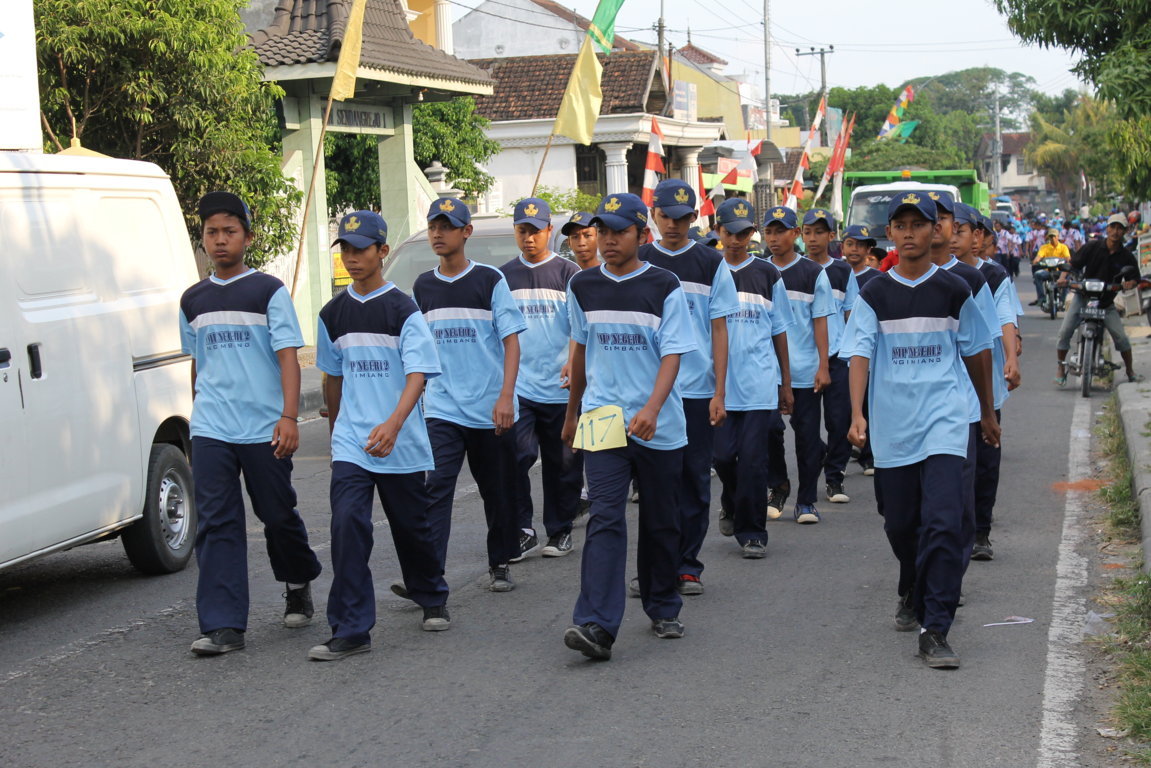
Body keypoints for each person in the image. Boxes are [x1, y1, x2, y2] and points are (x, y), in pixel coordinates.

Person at [842, 191, 1000, 670]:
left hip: (947, 420)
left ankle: (936, 627)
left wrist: (988, 414)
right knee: (901, 523)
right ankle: (911, 580)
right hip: (893, 425)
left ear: (937, 232)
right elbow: (860, 353)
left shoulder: (957, 290)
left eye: (920, 225)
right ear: (889, 234)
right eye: (901, 225)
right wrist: (856, 414)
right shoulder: (873, 293)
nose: (910, 233)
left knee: (946, 521)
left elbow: (976, 350)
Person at [180, 191, 322, 656]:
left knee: (277, 514)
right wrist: (197, 410)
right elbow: (199, 364)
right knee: (217, 522)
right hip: (212, 428)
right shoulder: (193, 300)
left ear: (247, 237)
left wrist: (288, 416)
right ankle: (223, 626)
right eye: (211, 233)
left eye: (229, 232)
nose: (220, 241)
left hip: (265, 427)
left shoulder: (268, 291)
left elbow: (288, 358)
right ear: (202, 239)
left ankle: (297, 578)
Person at [560, 192, 697, 660]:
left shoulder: (665, 285)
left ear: (643, 235)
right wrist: (571, 412)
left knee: (661, 520)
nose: (609, 240)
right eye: (604, 231)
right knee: (604, 517)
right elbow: (579, 352)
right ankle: (596, 623)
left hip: (658, 423)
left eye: (620, 232)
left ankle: (663, 605)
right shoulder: (582, 286)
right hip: (601, 418)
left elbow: (673, 353)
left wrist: (654, 409)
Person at [311, 211, 450, 661]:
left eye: (361, 249)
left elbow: (418, 374)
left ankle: (431, 594)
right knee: (348, 525)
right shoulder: (332, 314)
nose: (352, 258)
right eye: (346, 249)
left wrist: (393, 424)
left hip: (400, 441)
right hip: (353, 441)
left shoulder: (403, 310)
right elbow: (332, 378)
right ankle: (351, 629)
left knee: (412, 529)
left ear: (382, 252)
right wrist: (338, 437)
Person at [412, 198, 526, 593]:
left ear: (466, 232)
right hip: (442, 407)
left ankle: (500, 562)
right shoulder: (423, 286)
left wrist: (506, 396)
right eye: (433, 227)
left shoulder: (490, 280)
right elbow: (418, 350)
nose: (438, 234)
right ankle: (428, 576)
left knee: (496, 490)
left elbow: (511, 342)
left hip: (487, 408)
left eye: (447, 226)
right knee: (436, 488)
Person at [638, 178, 738, 596]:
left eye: (682, 218)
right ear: (653, 216)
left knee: (694, 478)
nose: (674, 225)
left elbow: (719, 327)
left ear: (695, 219)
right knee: (653, 486)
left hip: (695, 390)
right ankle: (654, 567)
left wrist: (719, 391)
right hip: (647, 392)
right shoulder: (639, 258)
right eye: (666, 217)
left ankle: (687, 564)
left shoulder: (710, 263)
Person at [711, 198, 794, 557]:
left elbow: (779, 331)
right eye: (730, 232)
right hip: (719, 386)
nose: (737, 240)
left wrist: (785, 383)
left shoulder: (767, 274)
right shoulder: (710, 271)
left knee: (754, 461)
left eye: (744, 232)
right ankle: (731, 502)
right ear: (718, 231)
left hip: (759, 383)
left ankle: (753, 531)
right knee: (723, 457)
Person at [501, 198, 582, 560]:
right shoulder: (502, 277)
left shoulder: (570, 275)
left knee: (562, 463)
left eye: (536, 231)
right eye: (523, 231)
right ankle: (522, 528)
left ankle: (560, 529)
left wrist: (573, 363)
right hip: (519, 388)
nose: (529, 238)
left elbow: (581, 329)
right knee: (517, 457)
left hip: (562, 389)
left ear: (550, 230)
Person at [954, 203, 1022, 562]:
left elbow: (1007, 320)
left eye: (959, 230)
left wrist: (1010, 358)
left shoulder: (993, 277)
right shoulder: (932, 274)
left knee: (984, 463)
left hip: (984, 385)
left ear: (976, 236)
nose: (949, 237)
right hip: (947, 390)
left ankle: (981, 531)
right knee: (956, 468)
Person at [762, 206, 835, 523]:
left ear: (795, 234)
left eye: (781, 231)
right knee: (768, 431)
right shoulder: (759, 270)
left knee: (805, 436)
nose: (774, 238)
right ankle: (778, 483)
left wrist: (824, 365)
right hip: (765, 370)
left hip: (805, 370)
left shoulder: (813, 273)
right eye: (769, 232)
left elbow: (820, 323)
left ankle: (806, 500)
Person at [800, 208, 859, 504]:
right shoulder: (794, 269)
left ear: (831, 236)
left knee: (839, 420)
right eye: (808, 232)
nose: (813, 238)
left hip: (838, 356)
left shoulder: (843, 271)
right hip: (804, 358)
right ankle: (819, 457)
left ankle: (835, 478)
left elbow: (852, 314)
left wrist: (854, 354)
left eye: (819, 232)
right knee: (804, 424)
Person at [1054, 213, 1143, 385]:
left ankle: (1130, 371)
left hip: (1106, 302)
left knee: (1121, 338)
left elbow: (1135, 279)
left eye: (1120, 228)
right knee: (1065, 332)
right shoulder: (1092, 247)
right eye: (1113, 227)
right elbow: (1073, 264)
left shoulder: (1126, 256)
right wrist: (1063, 278)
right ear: (1107, 228)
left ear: (1124, 231)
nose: (1115, 232)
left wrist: (1128, 284)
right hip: (1083, 297)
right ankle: (1060, 366)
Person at [841, 224, 882, 476]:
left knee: (867, 402)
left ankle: (869, 455)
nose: (854, 249)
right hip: (843, 350)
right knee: (844, 407)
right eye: (849, 243)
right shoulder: (835, 273)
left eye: (860, 244)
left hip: (869, 350)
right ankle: (843, 450)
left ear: (868, 249)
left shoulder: (876, 279)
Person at [1029, 229, 1071, 305]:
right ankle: (1041, 298)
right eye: (1051, 236)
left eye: (1054, 236)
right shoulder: (1044, 247)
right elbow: (1038, 257)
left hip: (1059, 272)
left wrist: (1068, 263)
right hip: (1047, 271)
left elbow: (1068, 259)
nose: (1052, 238)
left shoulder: (1063, 247)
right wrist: (1035, 262)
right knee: (1037, 275)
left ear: (1058, 237)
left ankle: (1063, 299)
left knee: (1067, 277)